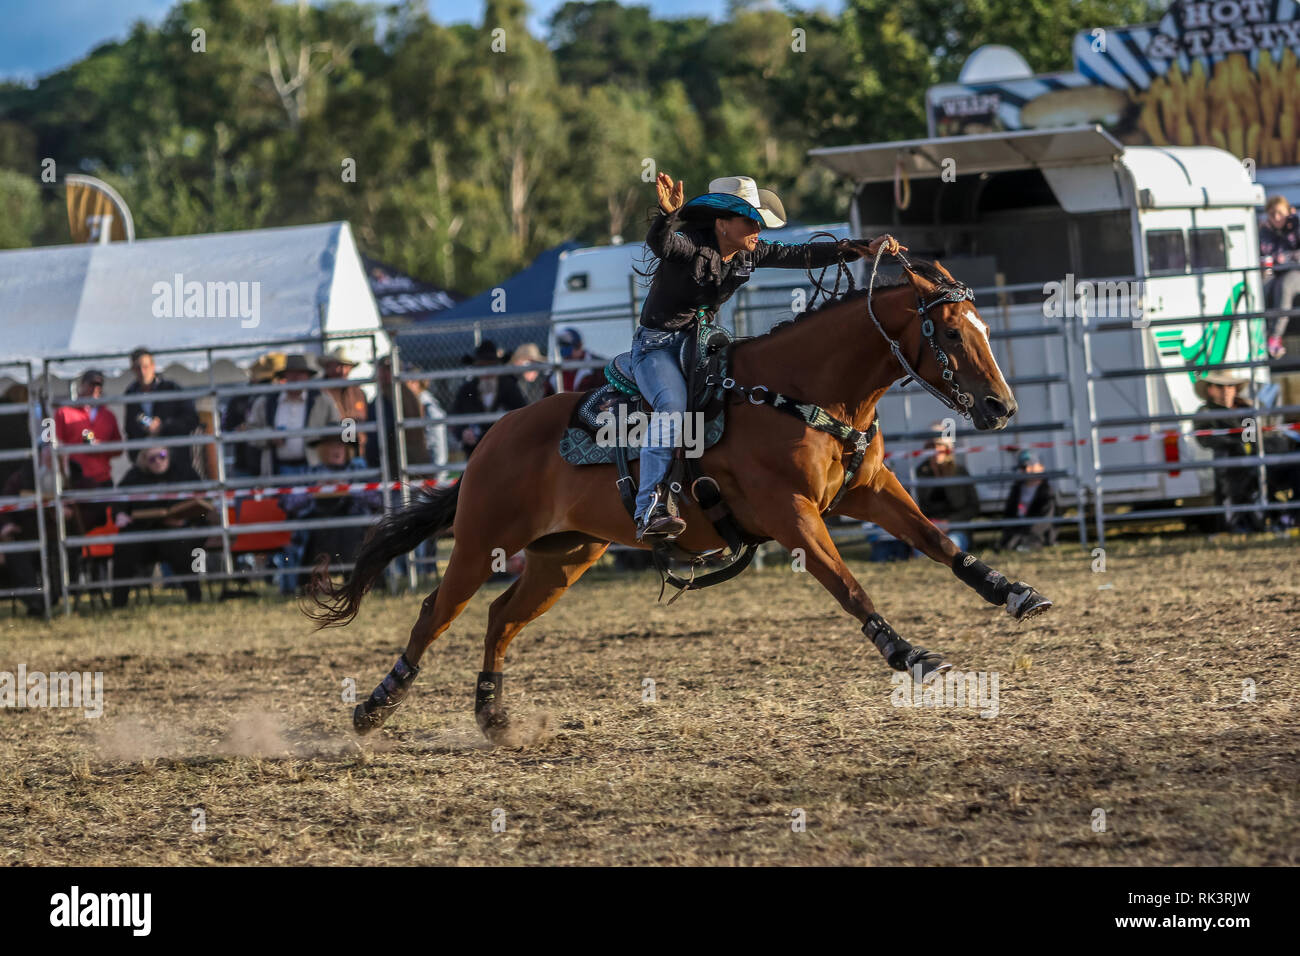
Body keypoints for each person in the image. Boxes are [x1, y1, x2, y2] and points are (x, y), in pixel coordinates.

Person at [631, 171, 904, 539]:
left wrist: (861, 247)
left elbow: (801, 253)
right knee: (673, 408)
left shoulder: (749, 252)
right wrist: (668, 216)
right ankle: (649, 506)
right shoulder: (689, 246)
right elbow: (661, 245)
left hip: (702, 341)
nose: (758, 228)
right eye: (749, 220)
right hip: (657, 346)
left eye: (759, 221)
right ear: (722, 223)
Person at [1193, 371, 1300, 531]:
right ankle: (1276, 516)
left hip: (1261, 460)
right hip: (1234, 468)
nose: (1226, 390)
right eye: (1220, 386)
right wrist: (1236, 444)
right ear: (1210, 390)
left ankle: (1291, 515)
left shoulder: (1246, 408)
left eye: (1230, 386)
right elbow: (1206, 439)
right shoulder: (1206, 413)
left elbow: (1251, 439)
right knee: (1251, 476)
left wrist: (1247, 443)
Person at [111, 445, 206, 607]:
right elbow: (119, 502)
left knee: (183, 547)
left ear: (169, 454)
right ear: (144, 461)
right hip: (143, 532)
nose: (158, 462)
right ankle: (118, 604)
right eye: (152, 459)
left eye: (162, 456)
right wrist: (119, 514)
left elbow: (203, 505)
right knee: (124, 548)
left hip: (176, 531)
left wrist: (185, 521)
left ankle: (195, 598)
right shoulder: (134, 476)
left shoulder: (184, 473)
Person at [244, 354, 341, 476]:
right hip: (277, 469)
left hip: (315, 468)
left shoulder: (322, 401)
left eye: (300, 373)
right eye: (291, 373)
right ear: (284, 376)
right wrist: (269, 437)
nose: (296, 378)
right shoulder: (265, 402)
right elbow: (250, 431)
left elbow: (337, 428)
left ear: (308, 377)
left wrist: (322, 442)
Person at [54, 370, 122, 533]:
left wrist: (102, 447)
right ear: (81, 386)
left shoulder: (108, 415)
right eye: (91, 384)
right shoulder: (64, 413)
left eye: (99, 385)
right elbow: (55, 446)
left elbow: (118, 448)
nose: (95, 389)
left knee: (104, 528)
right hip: (76, 483)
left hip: (102, 480)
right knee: (77, 528)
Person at [367, 356, 449, 483]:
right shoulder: (378, 400)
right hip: (390, 463)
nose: (384, 374)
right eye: (382, 370)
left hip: (411, 463)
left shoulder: (416, 400)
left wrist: (438, 471)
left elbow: (434, 439)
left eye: (388, 370)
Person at [450, 341, 527, 457]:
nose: (486, 372)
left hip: (506, 449)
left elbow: (524, 414)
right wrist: (463, 432)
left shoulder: (509, 387)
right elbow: (455, 417)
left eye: (490, 366)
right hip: (475, 451)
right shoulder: (467, 390)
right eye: (481, 367)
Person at [915, 425, 981, 551]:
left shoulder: (960, 472)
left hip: (956, 527)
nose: (936, 450)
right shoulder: (921, 473)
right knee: (922, 551)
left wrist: (950, 522)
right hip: (930, 527)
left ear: (948, 449)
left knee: (950, 547)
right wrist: (931, 524)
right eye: (931, 446)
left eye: (940, 445)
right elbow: (918, 506)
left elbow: (973, 507)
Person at [223, 351, 285, 478]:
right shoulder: (241, 399)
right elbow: (227, 430)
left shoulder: (283, 398)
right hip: (250, 462)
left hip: (274, 462)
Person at [122, 347, 200, 442]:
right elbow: (129, 429)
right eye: (138, 368)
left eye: (145, 367)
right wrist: (144, 431)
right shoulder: (130, 394)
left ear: (153, 366)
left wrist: (163, 426)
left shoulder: (172, 388)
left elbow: (191, 420)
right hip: (145, 452)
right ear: (133, 369)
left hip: (172, 449)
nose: (142, 372)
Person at [1259, 195, 1299, 358]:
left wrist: (1287, 256)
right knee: (1263, 286)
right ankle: (1260, 334)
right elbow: (1262, 254)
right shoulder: (1264, 230)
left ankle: (1275, 337)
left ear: (1288, 212)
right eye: (1272, 214)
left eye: (1280, 213)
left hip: (1295, 272)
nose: (1276, 217)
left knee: (1284, 286)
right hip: (1275, 273)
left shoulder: (1296, 226)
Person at [320, 346, 370, 466]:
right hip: (331, 457)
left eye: (346, 366)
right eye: (338, 365)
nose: (342, 371)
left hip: (358, 453)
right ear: (328, 367)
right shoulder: (320, 393)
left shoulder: (358, 392)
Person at [999, 450, 1057, 551]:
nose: (1027, 470)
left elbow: (1045, 519)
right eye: (1023, 467)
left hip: (1037, 534)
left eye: (1031, 465)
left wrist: (1024, 534)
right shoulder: (1016, 489)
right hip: (1018, 531)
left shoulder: (1047, 490)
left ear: (1041, 467)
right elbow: (1008, 514)